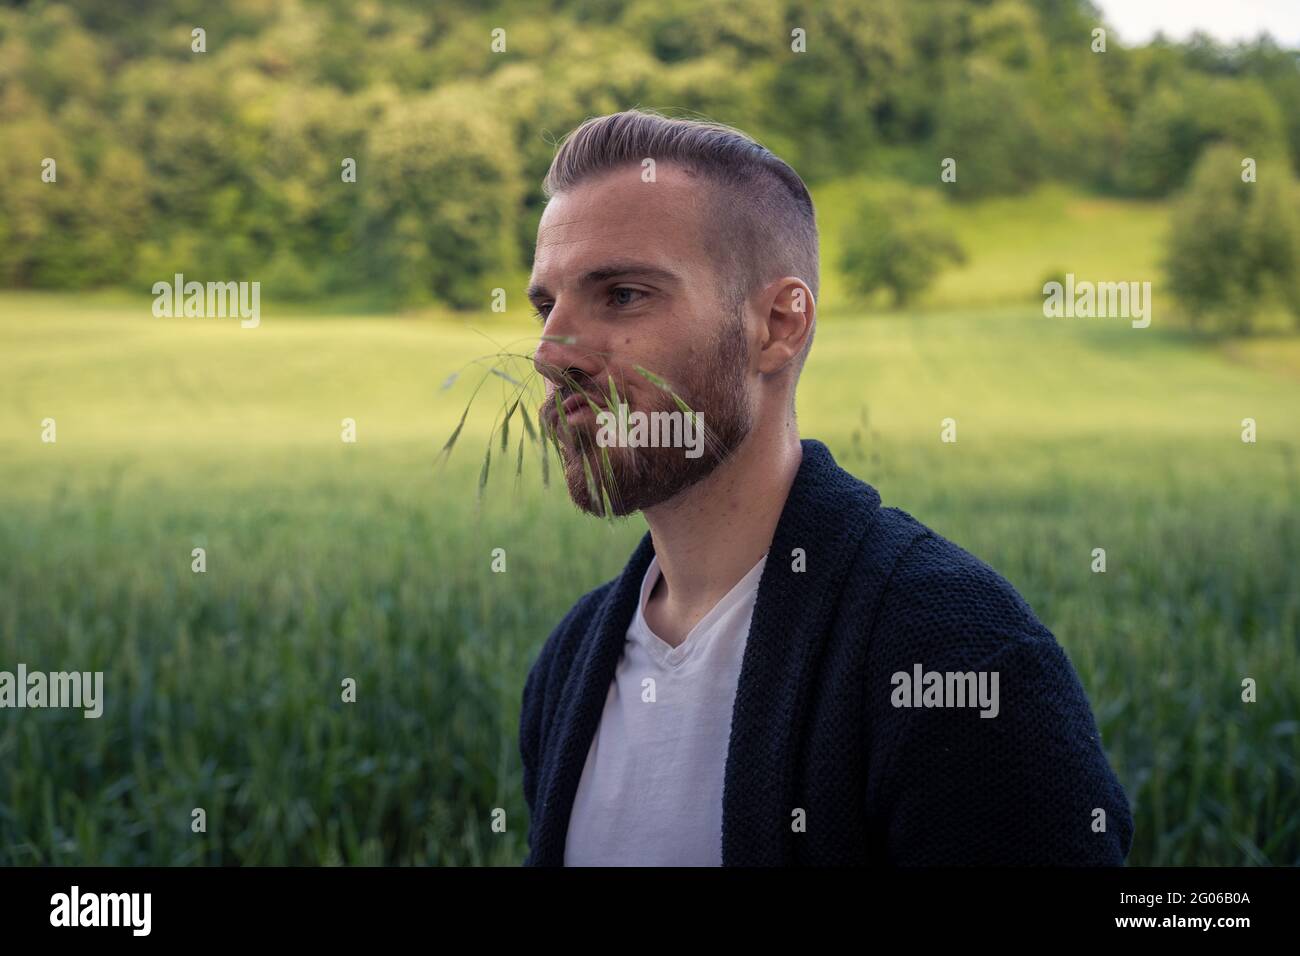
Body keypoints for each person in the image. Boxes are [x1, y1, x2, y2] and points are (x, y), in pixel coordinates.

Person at [519, 109, 1132, 866]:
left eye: (622, 295)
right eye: (547, 306)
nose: (551, 354)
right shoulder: (571, 664)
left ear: (778, 325)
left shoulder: (954, 656)